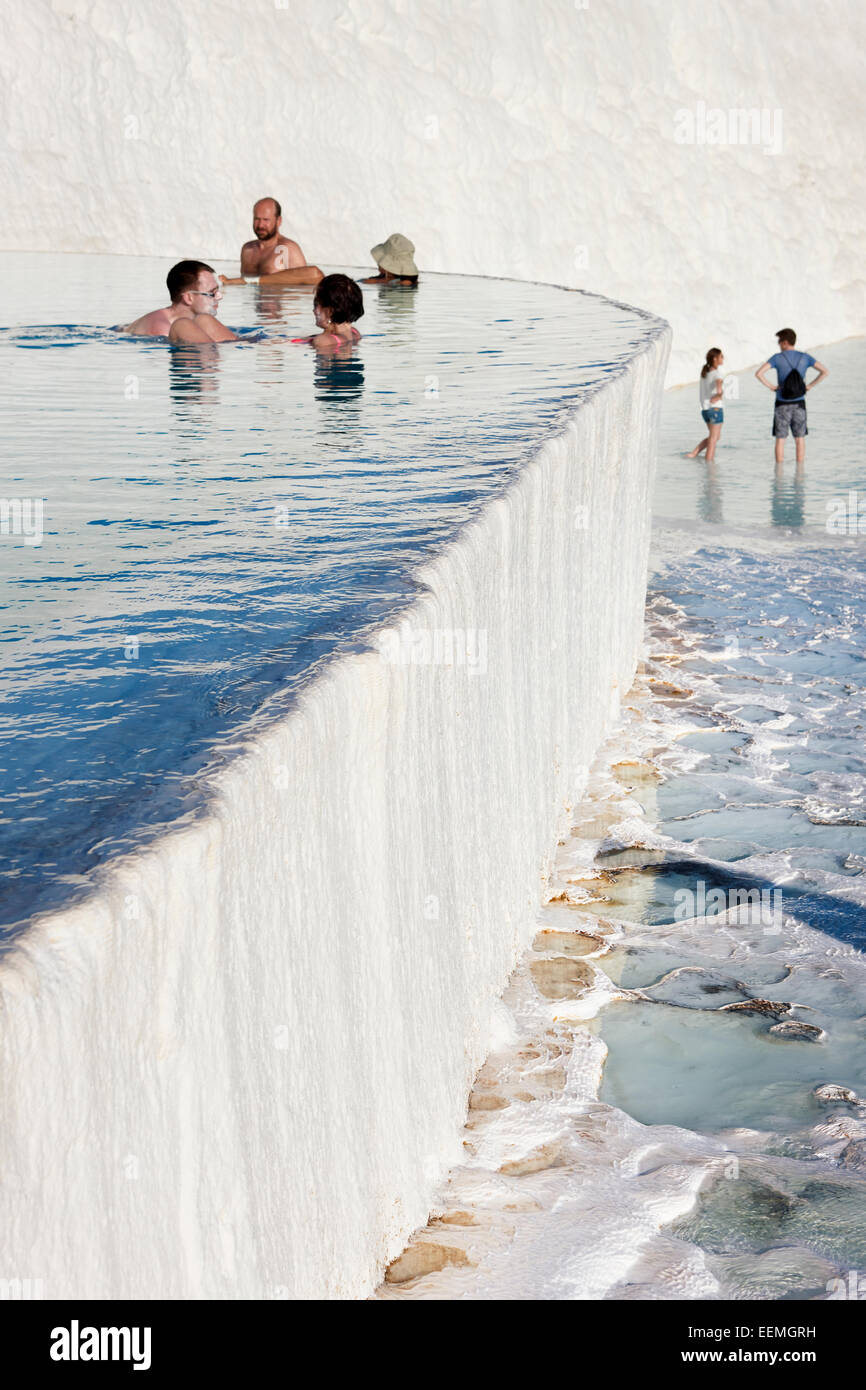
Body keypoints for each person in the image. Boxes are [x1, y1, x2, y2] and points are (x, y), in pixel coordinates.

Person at [755, 328, 828, 463]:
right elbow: (824, 371)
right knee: (800, 439)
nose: (778, 344)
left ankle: (779, 474)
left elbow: (758, 373)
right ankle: (800, 473)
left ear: (785, 342)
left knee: (780, 440)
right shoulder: (805, 357)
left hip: (782, 403)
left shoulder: (777, 358)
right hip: (799, 403)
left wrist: (772, 387)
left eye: (779, 341)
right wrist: (810, 386)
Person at [220, 197, 323, 287]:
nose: (260, 225)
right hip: (251, 308)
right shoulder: (248, 250)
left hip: (277, 308)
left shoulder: (288, 248)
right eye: (257, 219)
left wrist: (244, 281)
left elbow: (314, 276)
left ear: (278, 221)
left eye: (266, 220)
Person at [125, 261, 238, 343]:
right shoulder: (162, 330)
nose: (219, 297)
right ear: (189, 298)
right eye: (212, 293)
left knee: (204, 321)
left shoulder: (188, 323)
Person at [291, 273, 364, 351]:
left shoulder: (322, 341)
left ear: (330, 311)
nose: (313, 311)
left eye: (316, 305)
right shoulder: (355, 334)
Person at [688, 347, 725, 460]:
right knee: (714, 439)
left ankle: (693, 453)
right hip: (715, 410)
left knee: (715, 437)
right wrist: (719, 395)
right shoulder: (716, 374)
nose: (723, 359)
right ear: (715, 359)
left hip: (705, 410)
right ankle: (709, 467)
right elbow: (719, 387)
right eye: (721, 357)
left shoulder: (705, 373)